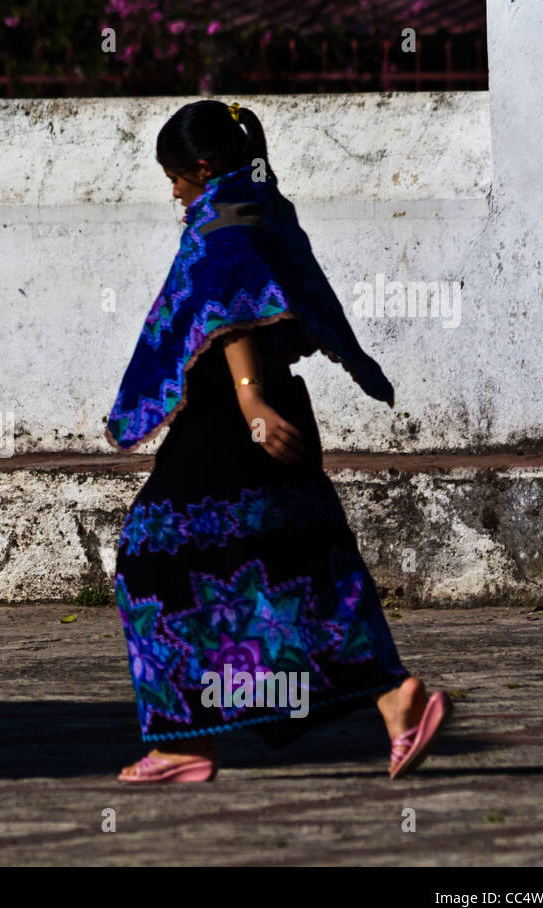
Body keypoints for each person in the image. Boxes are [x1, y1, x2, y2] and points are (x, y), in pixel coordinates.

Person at [107, 100, 452, 783]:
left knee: (149, 560)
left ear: (202, 168)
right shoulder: (267, 206)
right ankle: (393, 697)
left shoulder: (224, 222)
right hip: (277, 409)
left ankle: (184, 742)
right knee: (303, 566)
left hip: (235, 420)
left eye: (175, 175)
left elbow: (232, 309)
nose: (173, 190)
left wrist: (250, 401)